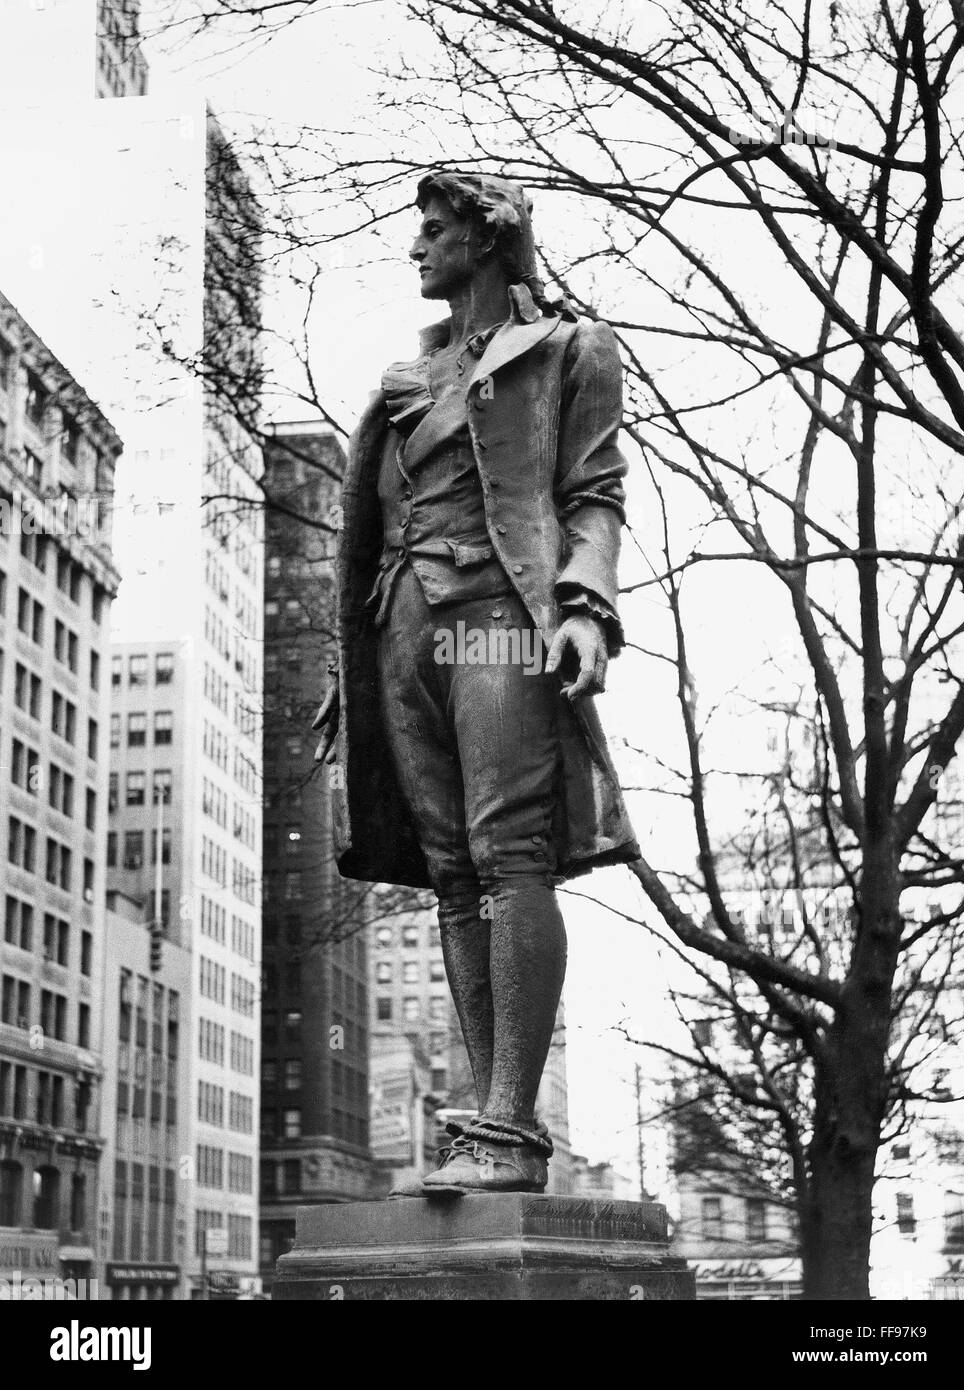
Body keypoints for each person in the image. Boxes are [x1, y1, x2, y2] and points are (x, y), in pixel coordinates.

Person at [313, 170, 640, 1193]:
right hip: (399, 632)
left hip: (495, 621)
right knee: (451, 871)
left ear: (488, 238)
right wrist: (345, 671)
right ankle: (485, 1128)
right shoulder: (406, 377)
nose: (415, 247)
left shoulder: (568, 350)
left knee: (508, 856)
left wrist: (583, 607)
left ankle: (509, 1125)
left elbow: (590, 492)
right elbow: (372, 531)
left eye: (433, 230)